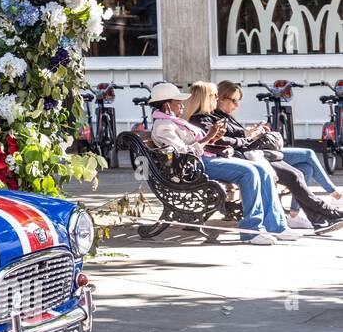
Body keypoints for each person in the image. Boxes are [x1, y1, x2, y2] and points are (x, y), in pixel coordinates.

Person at [186, 81, 343, 233]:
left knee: (303, 169)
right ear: (207, 98)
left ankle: (319, 219)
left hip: (254, 153)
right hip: (246, 156)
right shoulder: (202, 118)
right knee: (296, 173)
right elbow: (223, 141)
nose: (235, 105)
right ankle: (327, 213)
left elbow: (231, 137)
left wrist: (252, 133)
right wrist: (249, 137)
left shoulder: (219, 116)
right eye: (215, 96)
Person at [147, 82, 292, 245]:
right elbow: (184, 154)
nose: (182, 105)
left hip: (204, 159)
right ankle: (251, 231)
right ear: (167, 105)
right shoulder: (164, 126)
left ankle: (277, 225)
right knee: (249, 172)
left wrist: (213, 136)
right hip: (194, 166)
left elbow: (195, 144)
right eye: (178, 102)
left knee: (260, 169)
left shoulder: (172, 122)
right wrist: (209, 137)